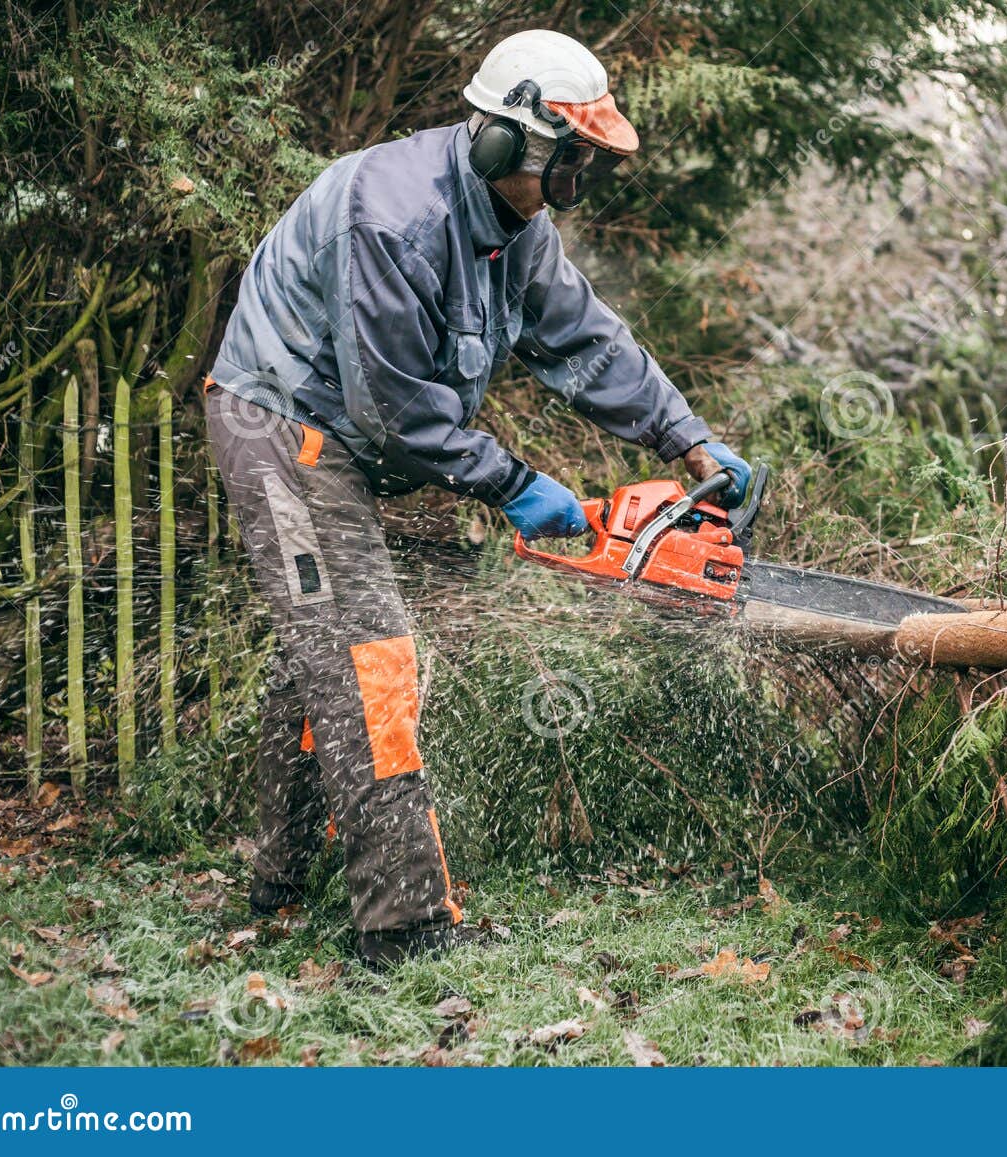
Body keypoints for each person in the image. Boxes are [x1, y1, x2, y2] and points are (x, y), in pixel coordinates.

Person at [204, 29, 750, 967]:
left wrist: (683, 434)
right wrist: (514, 483)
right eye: (567, 160)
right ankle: (403, 923)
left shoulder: (517, 229)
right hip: (283, 426)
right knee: (372, 657)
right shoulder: (392, 218)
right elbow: (394, 409)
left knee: (321, 656)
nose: (576, 180)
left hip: (355, 430)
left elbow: (585, 339)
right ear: (504, 141)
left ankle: (279, 877)